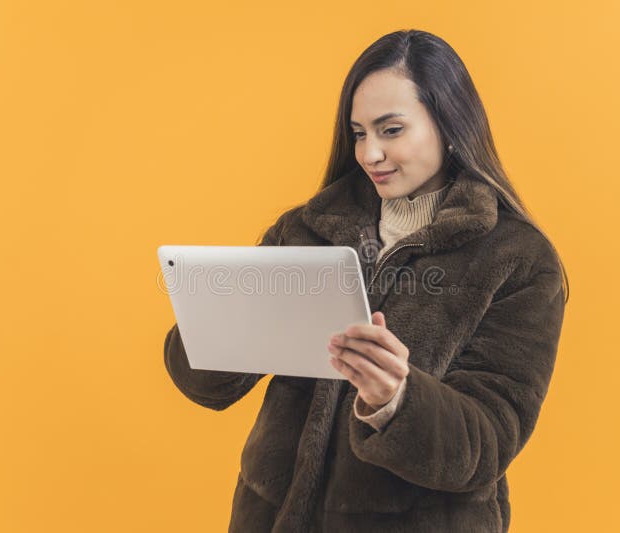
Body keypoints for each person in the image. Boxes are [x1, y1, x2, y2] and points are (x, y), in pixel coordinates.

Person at [163, 28, 568, 533]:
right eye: (359, 133)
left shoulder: (518, 259)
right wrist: (215, 319)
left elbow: (487, 443)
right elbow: (202, 383)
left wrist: (396, 399)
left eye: (391, 130)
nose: (369, 153)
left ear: (448, 124)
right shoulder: (306, 229)